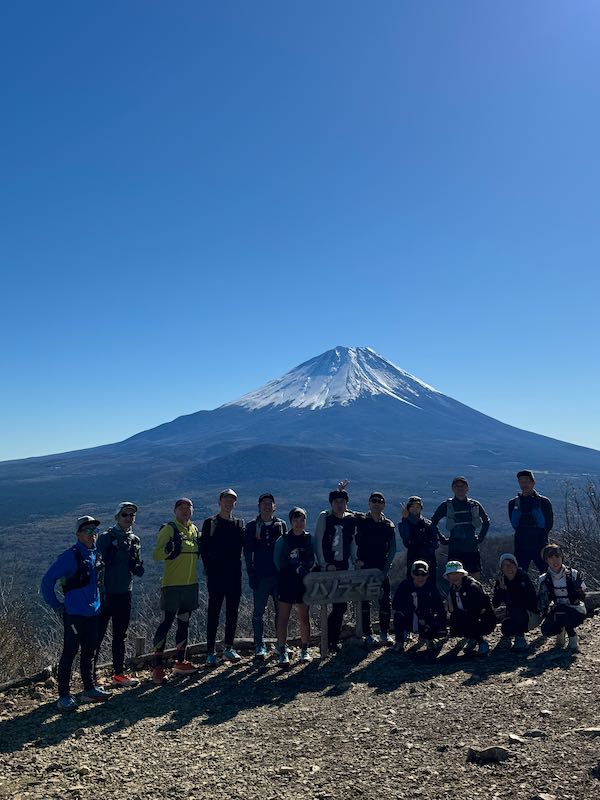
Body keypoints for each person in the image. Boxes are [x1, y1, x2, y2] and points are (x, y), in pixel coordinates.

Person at [40, 515, 112, 710]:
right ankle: (63, 696)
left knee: (89, 652)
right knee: (70, 653)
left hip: (93, 613)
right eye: (88, 531)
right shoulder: (69, 556)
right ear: (78, 534)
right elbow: (46, 582)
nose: (93, 535)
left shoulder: (95, 554)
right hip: (74, 614)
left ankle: (89, 689)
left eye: (95, 531)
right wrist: (56, 605)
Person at [94, 501, 144, 687]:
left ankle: (119, 674)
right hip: (106, 594)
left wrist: (137, 566)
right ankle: (90, 677)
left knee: (120, 635)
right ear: (117, 517)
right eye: (125, 515)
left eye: (132, 515)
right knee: (97, 636)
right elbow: (97, 566)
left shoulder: (135, 540)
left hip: (125, 592)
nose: (129, 518)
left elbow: (138, 569)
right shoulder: (106, 537)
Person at [151, 498, 200, 684]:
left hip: (190, 585)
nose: (185, 511)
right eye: (181, 508)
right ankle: (157, 667)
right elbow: (156, 555)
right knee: (166, 623)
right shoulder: (169, 529)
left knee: (184, 623)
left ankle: (180, 662)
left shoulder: (194, 530)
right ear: (175, 511)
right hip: (171, 586)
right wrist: (168, 550)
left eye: (188, 508)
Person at [201, 489, 245, 666]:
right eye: (225, 500)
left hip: (234, 574)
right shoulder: (210, 523)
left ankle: (228, 648)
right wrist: (208, 570)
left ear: (235, 503)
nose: (228, 503)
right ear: (219, 502)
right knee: (214, 612)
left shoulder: (239, 524)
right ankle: (210, 651)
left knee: (232, 612)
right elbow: (203, 550)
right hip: (216, 576)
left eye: (231, 500)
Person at [314, 481, 358, 652]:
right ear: (331, 504)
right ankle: (327, 640)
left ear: (347, 503)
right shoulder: (325, 517)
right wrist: (324, 564)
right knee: (330, 604)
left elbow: (353, 542)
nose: (339, 505)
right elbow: (318, 541)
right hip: (328, 568)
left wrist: (355, 560)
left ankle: (331, 640)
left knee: (340, 606)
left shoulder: (350, 519)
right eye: (336, 502)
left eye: (342, 502)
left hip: (343, 567)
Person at [244, 493, 287, 660]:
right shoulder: (252, 526)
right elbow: (247, 552)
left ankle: (280, 644)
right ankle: (259, 645)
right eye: (264, 503)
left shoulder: (281, 525)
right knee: (258, 613)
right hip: (261, 576)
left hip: (278, 576)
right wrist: (251, 573)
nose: (267, 506)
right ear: (259, 506)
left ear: (274, 506)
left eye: (270, 503)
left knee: (280, 612)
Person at [274, 507, 316, 667]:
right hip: (286, 582)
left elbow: (315, 558)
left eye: (302, 520)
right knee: (283, 617)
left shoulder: (310, 539)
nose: (299, 523)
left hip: (304, 583)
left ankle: (304, 649)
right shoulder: (283, 540)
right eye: (296, 520)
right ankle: (282, 650)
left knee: (304, 617)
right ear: (291, 521)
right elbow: (276, 561)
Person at [355, 491, 396, 645]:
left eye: (380, 501)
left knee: (385, 600)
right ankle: (367, 634)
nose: (377, 503)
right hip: (364, 567)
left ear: (384, 505)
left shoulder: (388, 525)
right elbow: (342, 513)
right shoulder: (361, 521)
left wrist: (386, 568)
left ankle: (384, 633)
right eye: (374, 501)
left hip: (381, 568)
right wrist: (356, 560)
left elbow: (392, 548)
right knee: (365, 601)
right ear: (369, 503)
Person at [431, 477, 490, 580]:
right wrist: (441, 539)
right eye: (457, 486)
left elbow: (486, 522)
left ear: (467, 488)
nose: (460, 489)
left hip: (471, 548)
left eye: (462, 486)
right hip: (455, 549)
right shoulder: (447, 505)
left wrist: (480, 538)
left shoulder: (474, 505)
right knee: (454, 579)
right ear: (452, 489)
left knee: (474, 579)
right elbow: (433, 523)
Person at [537, 543, 586, 652]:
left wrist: (578, 590)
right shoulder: (544, 579)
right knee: (546, 629)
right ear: (546, 560)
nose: (555, 560)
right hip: (558, 610)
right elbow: (543, 601)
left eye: (557, 556)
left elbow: (583, 596)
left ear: (562, 557)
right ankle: (560, 631)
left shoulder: (573, 574)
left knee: (562, 610)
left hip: (576, 610)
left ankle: (572, 637)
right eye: (550, 557)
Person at [392, 561, 447, 656]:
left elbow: (439, 608)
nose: (420, 577)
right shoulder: (404, 586)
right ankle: (399, 641)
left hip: (425, 619)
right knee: (398, 615)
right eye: (417, 574)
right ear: (412, 574)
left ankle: (429, 639)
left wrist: (434, 622)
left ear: (428, 574)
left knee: (435, 620)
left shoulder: (431, 588)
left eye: (423, 574)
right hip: (409, 618)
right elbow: (396, 604)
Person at [445, 560, 496, 656]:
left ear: (462, 574)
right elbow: (451, 610)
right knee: (455, 620)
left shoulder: (472, 586)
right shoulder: (453, 589)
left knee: (466, 620)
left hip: (483, 618)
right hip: (468, 617)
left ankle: (481, 642)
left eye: (456, 573)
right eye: (451, 574)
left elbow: (478, 609)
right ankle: (472, 637)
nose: (454, 576)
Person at [508, 470, 554, 574]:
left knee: (547, 574)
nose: (525, 484)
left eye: (527, 481)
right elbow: (514, 524)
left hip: (541, 545)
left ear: (533, 482)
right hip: (521, 546)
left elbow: (549, 524)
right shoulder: (512, 503)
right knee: (520, 575)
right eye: (522, 482)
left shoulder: (544, 502)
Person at [491, 553, 539, 651]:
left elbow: (527, 601)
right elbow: (495, 603)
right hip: (514, 615)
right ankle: (517, 633)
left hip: (531, 615)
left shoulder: (523, 578)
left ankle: (520, 640)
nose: (509, 568)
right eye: (505, 565)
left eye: (512, 565)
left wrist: (508, 589)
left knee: (516, 609)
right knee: (506, 628)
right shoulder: (501, 581)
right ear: (501, 568)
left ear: (516, 566)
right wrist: (501, 589)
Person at [399, 496, 442, 583]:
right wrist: (405, 519)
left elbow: (435, 542)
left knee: (430, 584)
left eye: (418, 507)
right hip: (412, 558)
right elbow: (405, 537)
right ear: (408, 508)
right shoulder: (404, 523)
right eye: (412, 507)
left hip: (429, 559)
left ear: (421, 508)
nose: (415, 509)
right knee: (412, 584)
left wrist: (427, 552)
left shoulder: (428, 524)